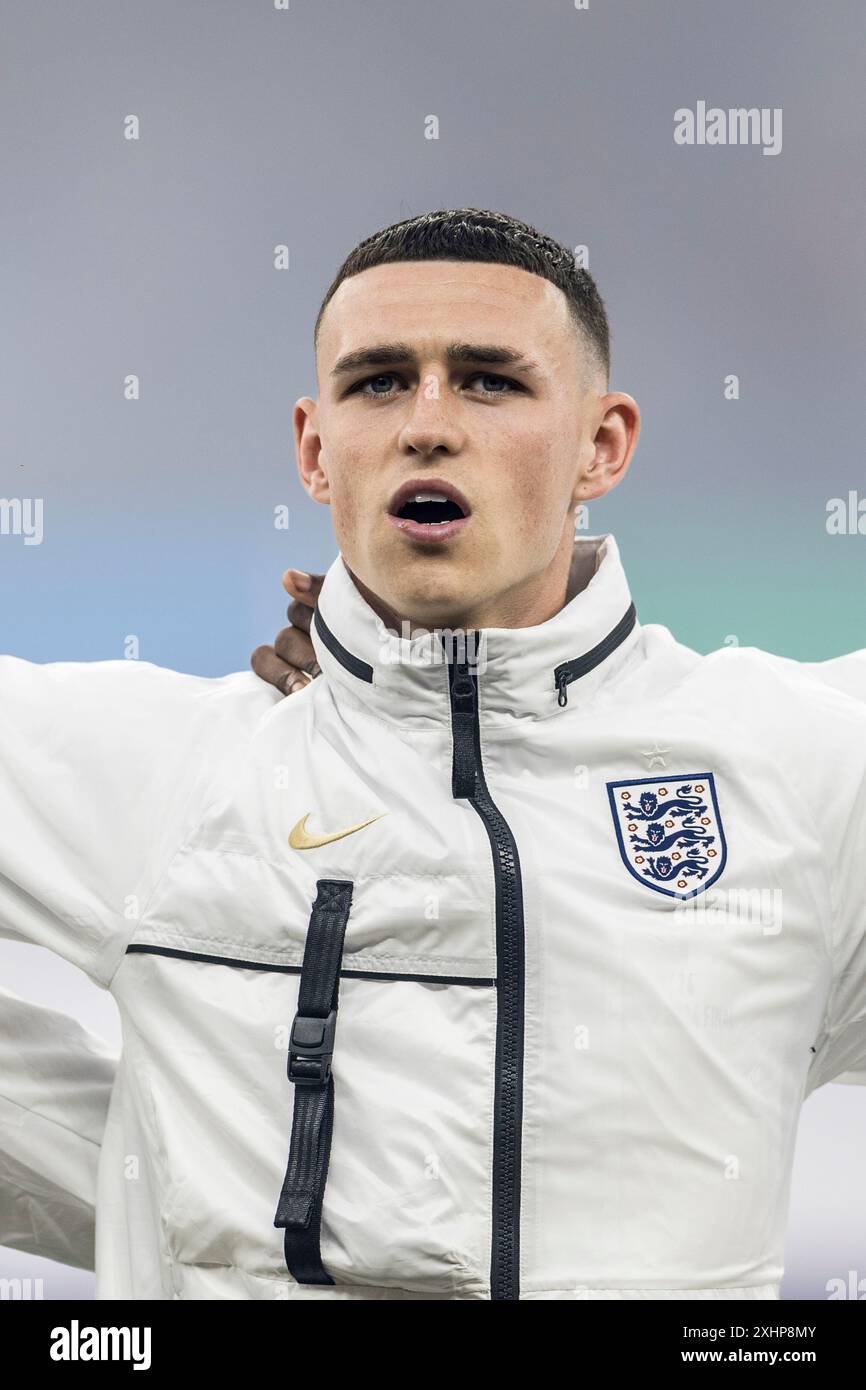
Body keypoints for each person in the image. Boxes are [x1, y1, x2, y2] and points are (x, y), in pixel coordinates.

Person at [1, 208, 864, 1302]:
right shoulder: (170, 770)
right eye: (376, 382)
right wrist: (141, 1177)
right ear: (315, 451)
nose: (426, 423)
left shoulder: (801, 768)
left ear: (602, 444)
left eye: (489, 381)